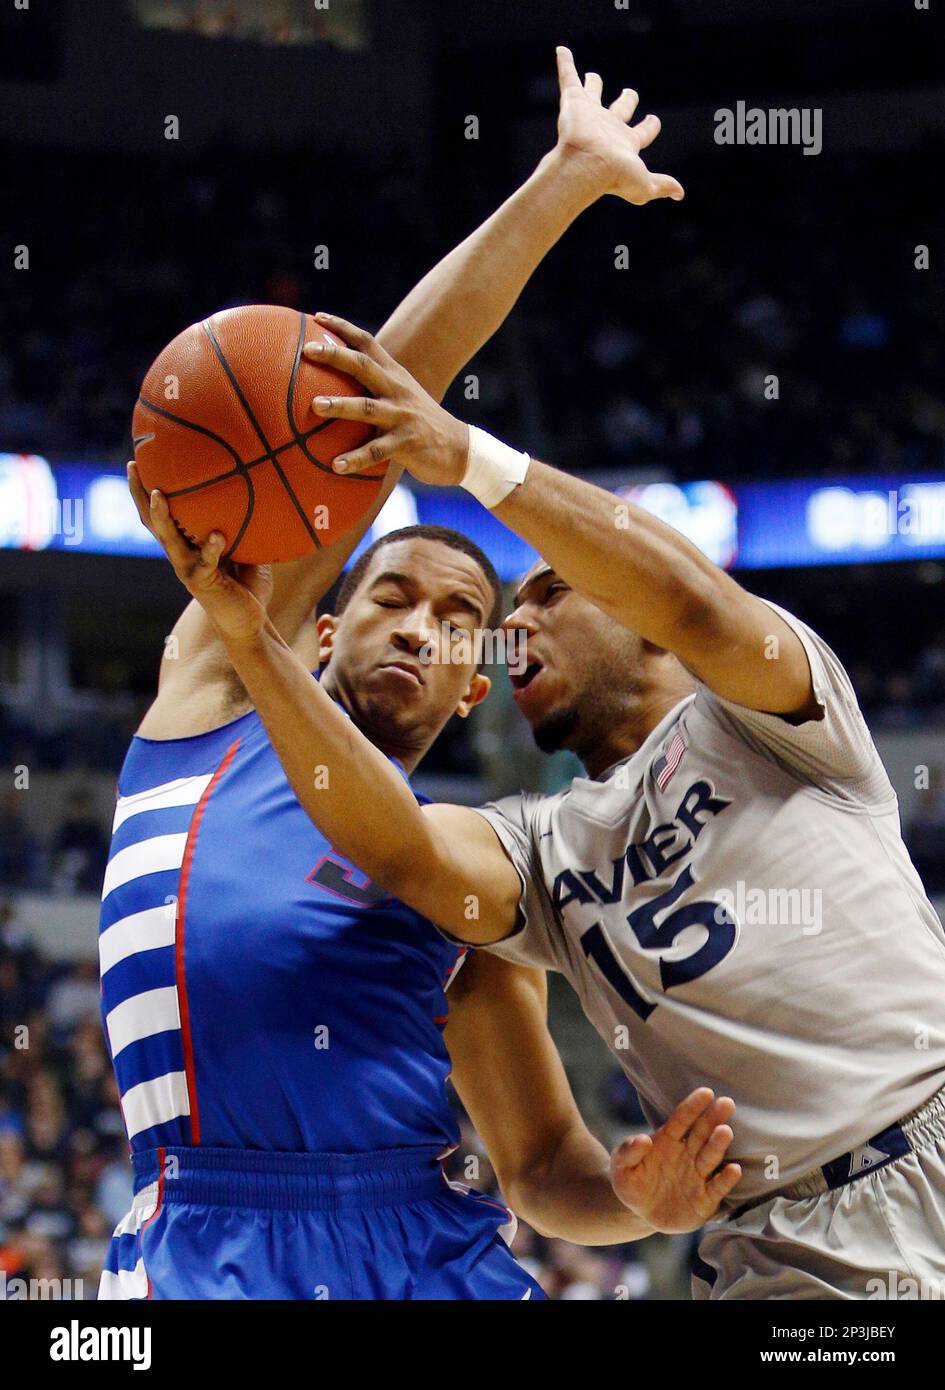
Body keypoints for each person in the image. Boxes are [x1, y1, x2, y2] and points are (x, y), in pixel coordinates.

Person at [155, 203, 945, 1298]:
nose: (510, 627)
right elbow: (407, 857)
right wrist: (258, 641)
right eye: (496, 615)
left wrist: (470, 457)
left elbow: (697, 606)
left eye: (546, 596)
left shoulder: (771, 713)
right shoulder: (536, 845)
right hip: (774, 1243)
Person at [104, 49, 738, 1301]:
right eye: (389, 595)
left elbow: (542, 1163)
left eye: (460, 620)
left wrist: (635, 1199)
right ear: (323, 627)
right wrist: (560, 185)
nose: (420, 626)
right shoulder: (222, 680)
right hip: (205, 1245)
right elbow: (367, 405)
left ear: (471, 690)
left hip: (427, 1249)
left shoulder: (469, 859)